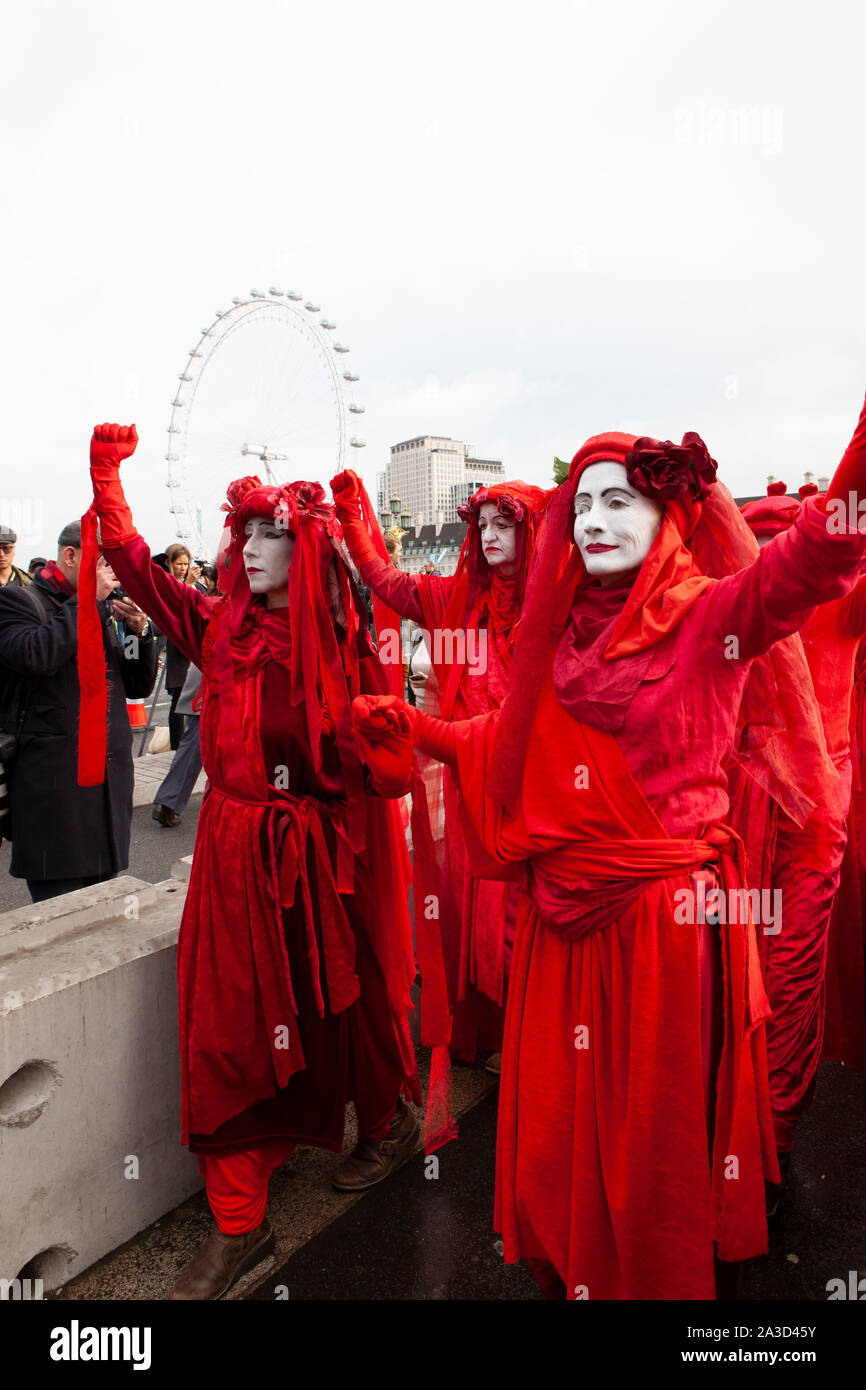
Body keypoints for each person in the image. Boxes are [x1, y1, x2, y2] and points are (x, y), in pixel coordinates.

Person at [357, 394, 866, 1300]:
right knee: (565, 1130)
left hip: (665, 940)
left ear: (673, 516)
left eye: (618, 501)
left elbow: (821, 555)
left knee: (656, 1143)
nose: (591, 521)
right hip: (562, 936)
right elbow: (499, 742)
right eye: (581, 504)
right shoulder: (552, 640)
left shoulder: (717, 617)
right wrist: (415, 727)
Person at [87, 424, 421, 1301]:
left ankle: (384, 1125)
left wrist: (385, 748)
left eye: (273, 532)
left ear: (308, 549)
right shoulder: (216, 630)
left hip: (322, 867)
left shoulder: (348, 648)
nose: (252, 546)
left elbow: (386, 772)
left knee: (347, 1010)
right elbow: (137, 568)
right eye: (246, 532)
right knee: (230, 1036)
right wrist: (107, 477)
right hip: (236, 865)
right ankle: (241, 1227)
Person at [332, 470, 549, 1067]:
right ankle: (481, 1026)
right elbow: (385, 579)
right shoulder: (457, 600)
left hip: (537, 790)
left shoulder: (560, 605)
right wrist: (353, 517)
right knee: (461, 902)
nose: (489, 536)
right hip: (465, 783)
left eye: (504, 524)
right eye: (481, 525)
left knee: (519, 913)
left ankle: (528, 1036)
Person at [739, 480, 866, 1191]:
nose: (766, 564)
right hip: (737, 820)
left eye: (775, 546)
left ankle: (775, 1144)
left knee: (790, 977)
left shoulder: (842, 598)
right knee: (733, 976)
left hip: (814, 823)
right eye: (751, 548)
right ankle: (735, 1126)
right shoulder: (730, 604)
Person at [0, 520, 156, 902]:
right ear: (70, 555)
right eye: (105, 563)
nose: (114, 575)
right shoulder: (18, 601)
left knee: (107, 915)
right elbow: (36, 656)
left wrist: (137, 631)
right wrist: (88, 600)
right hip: (56, 795)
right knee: (63, 917)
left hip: (108, 790)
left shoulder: (97, 607)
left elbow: (136, 685)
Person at [151, 660, 203, 827]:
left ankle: (168, 802)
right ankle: (168, 803)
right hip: (219, 681)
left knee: (192, 747)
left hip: (204, 676)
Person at [163, 542, 195, 749]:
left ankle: (191, 744)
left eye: (185, 564)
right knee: (179, 698)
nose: (183, 568)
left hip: (194, 648)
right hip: (178, 648)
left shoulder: (195, 584)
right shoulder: (166, 585)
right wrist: (188, 586)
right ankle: (177, 746)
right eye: (179, 563)